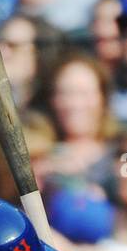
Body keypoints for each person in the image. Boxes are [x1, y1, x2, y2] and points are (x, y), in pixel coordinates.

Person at [32, 52, 119, 187]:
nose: (74, 103)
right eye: (64, 93)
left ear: (103, 98)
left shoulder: (124, 152)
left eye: (84, 93)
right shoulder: (35, 153)